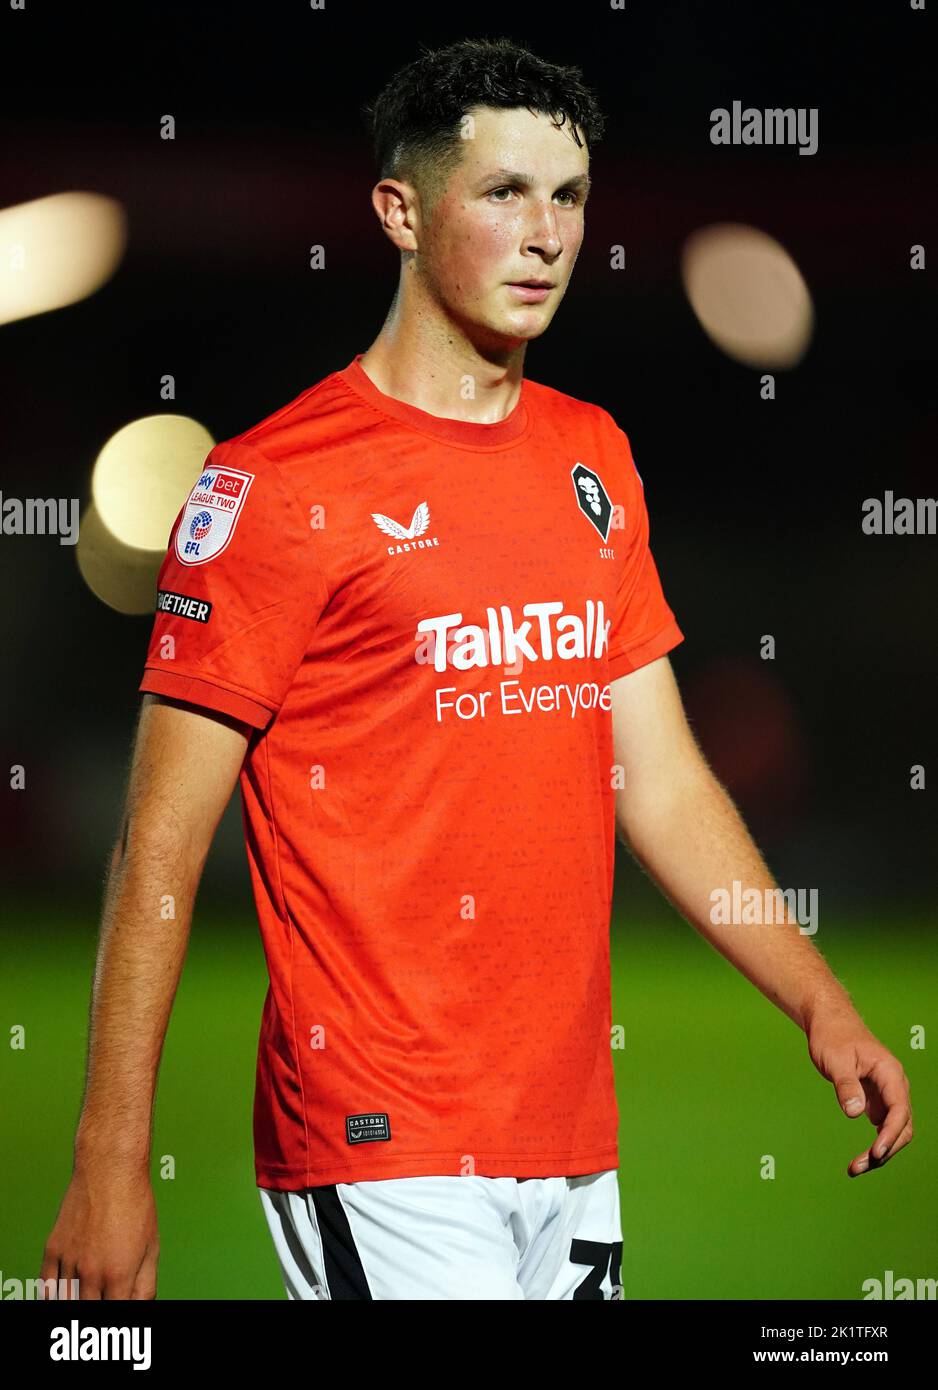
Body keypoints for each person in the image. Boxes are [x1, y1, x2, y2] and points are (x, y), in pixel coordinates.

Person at [41, 36, 912, 1302]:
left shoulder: (591, 455)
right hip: (376, 1138)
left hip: (566, 1143)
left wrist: (817, 1001)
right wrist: (110, 1161)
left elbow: (659, 777)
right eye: (502, 193)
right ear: (399, 209)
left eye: (567, 198)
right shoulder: (273, 488)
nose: (547, 233)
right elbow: (158, 848)